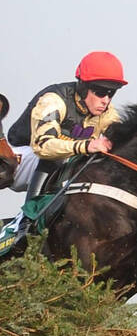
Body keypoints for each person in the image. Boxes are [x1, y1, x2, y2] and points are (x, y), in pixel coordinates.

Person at [6, 52, 127, 225]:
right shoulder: (54, 100)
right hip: (19, 159)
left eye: (111, 93)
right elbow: (43, 146)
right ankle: (28, 222)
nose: (105, 100)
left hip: (56, 166)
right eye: (100, 92)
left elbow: (122, 139)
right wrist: (87, 146)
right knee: (61, 156)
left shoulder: (106, 112)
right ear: (84, 87)